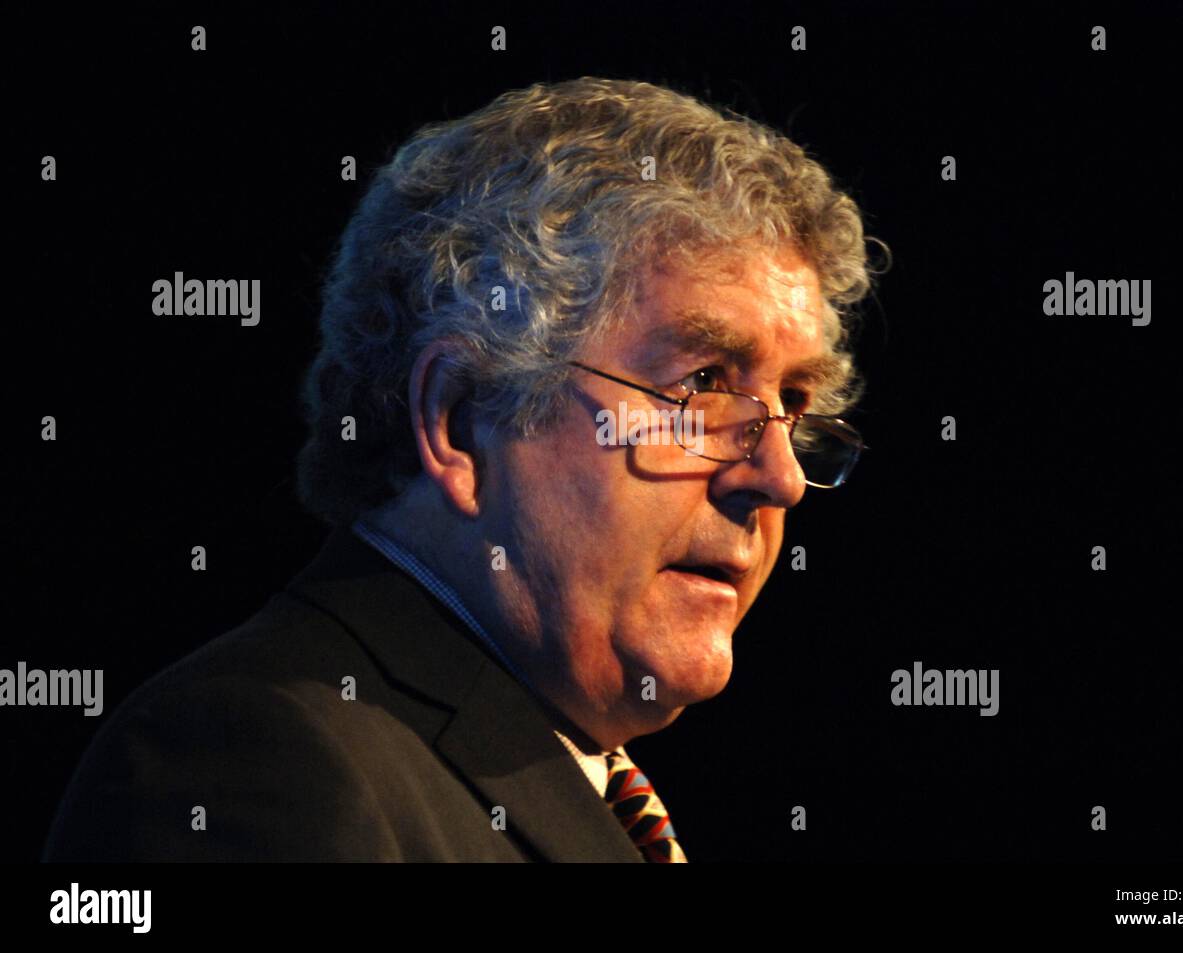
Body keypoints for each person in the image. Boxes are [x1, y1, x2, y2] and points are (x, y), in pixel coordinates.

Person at [42, 76, 887, 862]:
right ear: (459, 422)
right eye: (701, 384)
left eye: (795, 405)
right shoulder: (253, 761)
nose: (776, 475)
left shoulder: (567, 777)